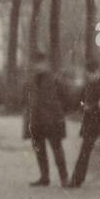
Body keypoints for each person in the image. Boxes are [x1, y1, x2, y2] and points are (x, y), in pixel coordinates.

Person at [23, 51, 70, 187]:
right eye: (36, 63)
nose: (38, 66)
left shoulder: (55, 79)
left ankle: (64, 178)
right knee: (39, 150)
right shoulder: (30, 81)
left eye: (41, 63)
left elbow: (66, 98)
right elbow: (26, 101)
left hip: (52, 121)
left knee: (57, 150)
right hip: (36, 121)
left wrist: (59, 113)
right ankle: (44, 177)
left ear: (46, 64)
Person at [69, 59, 100, 188]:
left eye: (90, 74)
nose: (88, 77)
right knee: (85, 150)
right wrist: (84, 106)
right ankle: (77, 179)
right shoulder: (88, 85)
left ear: (96, 72)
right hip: (90, 122)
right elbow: (81, 101)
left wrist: (93, 106)